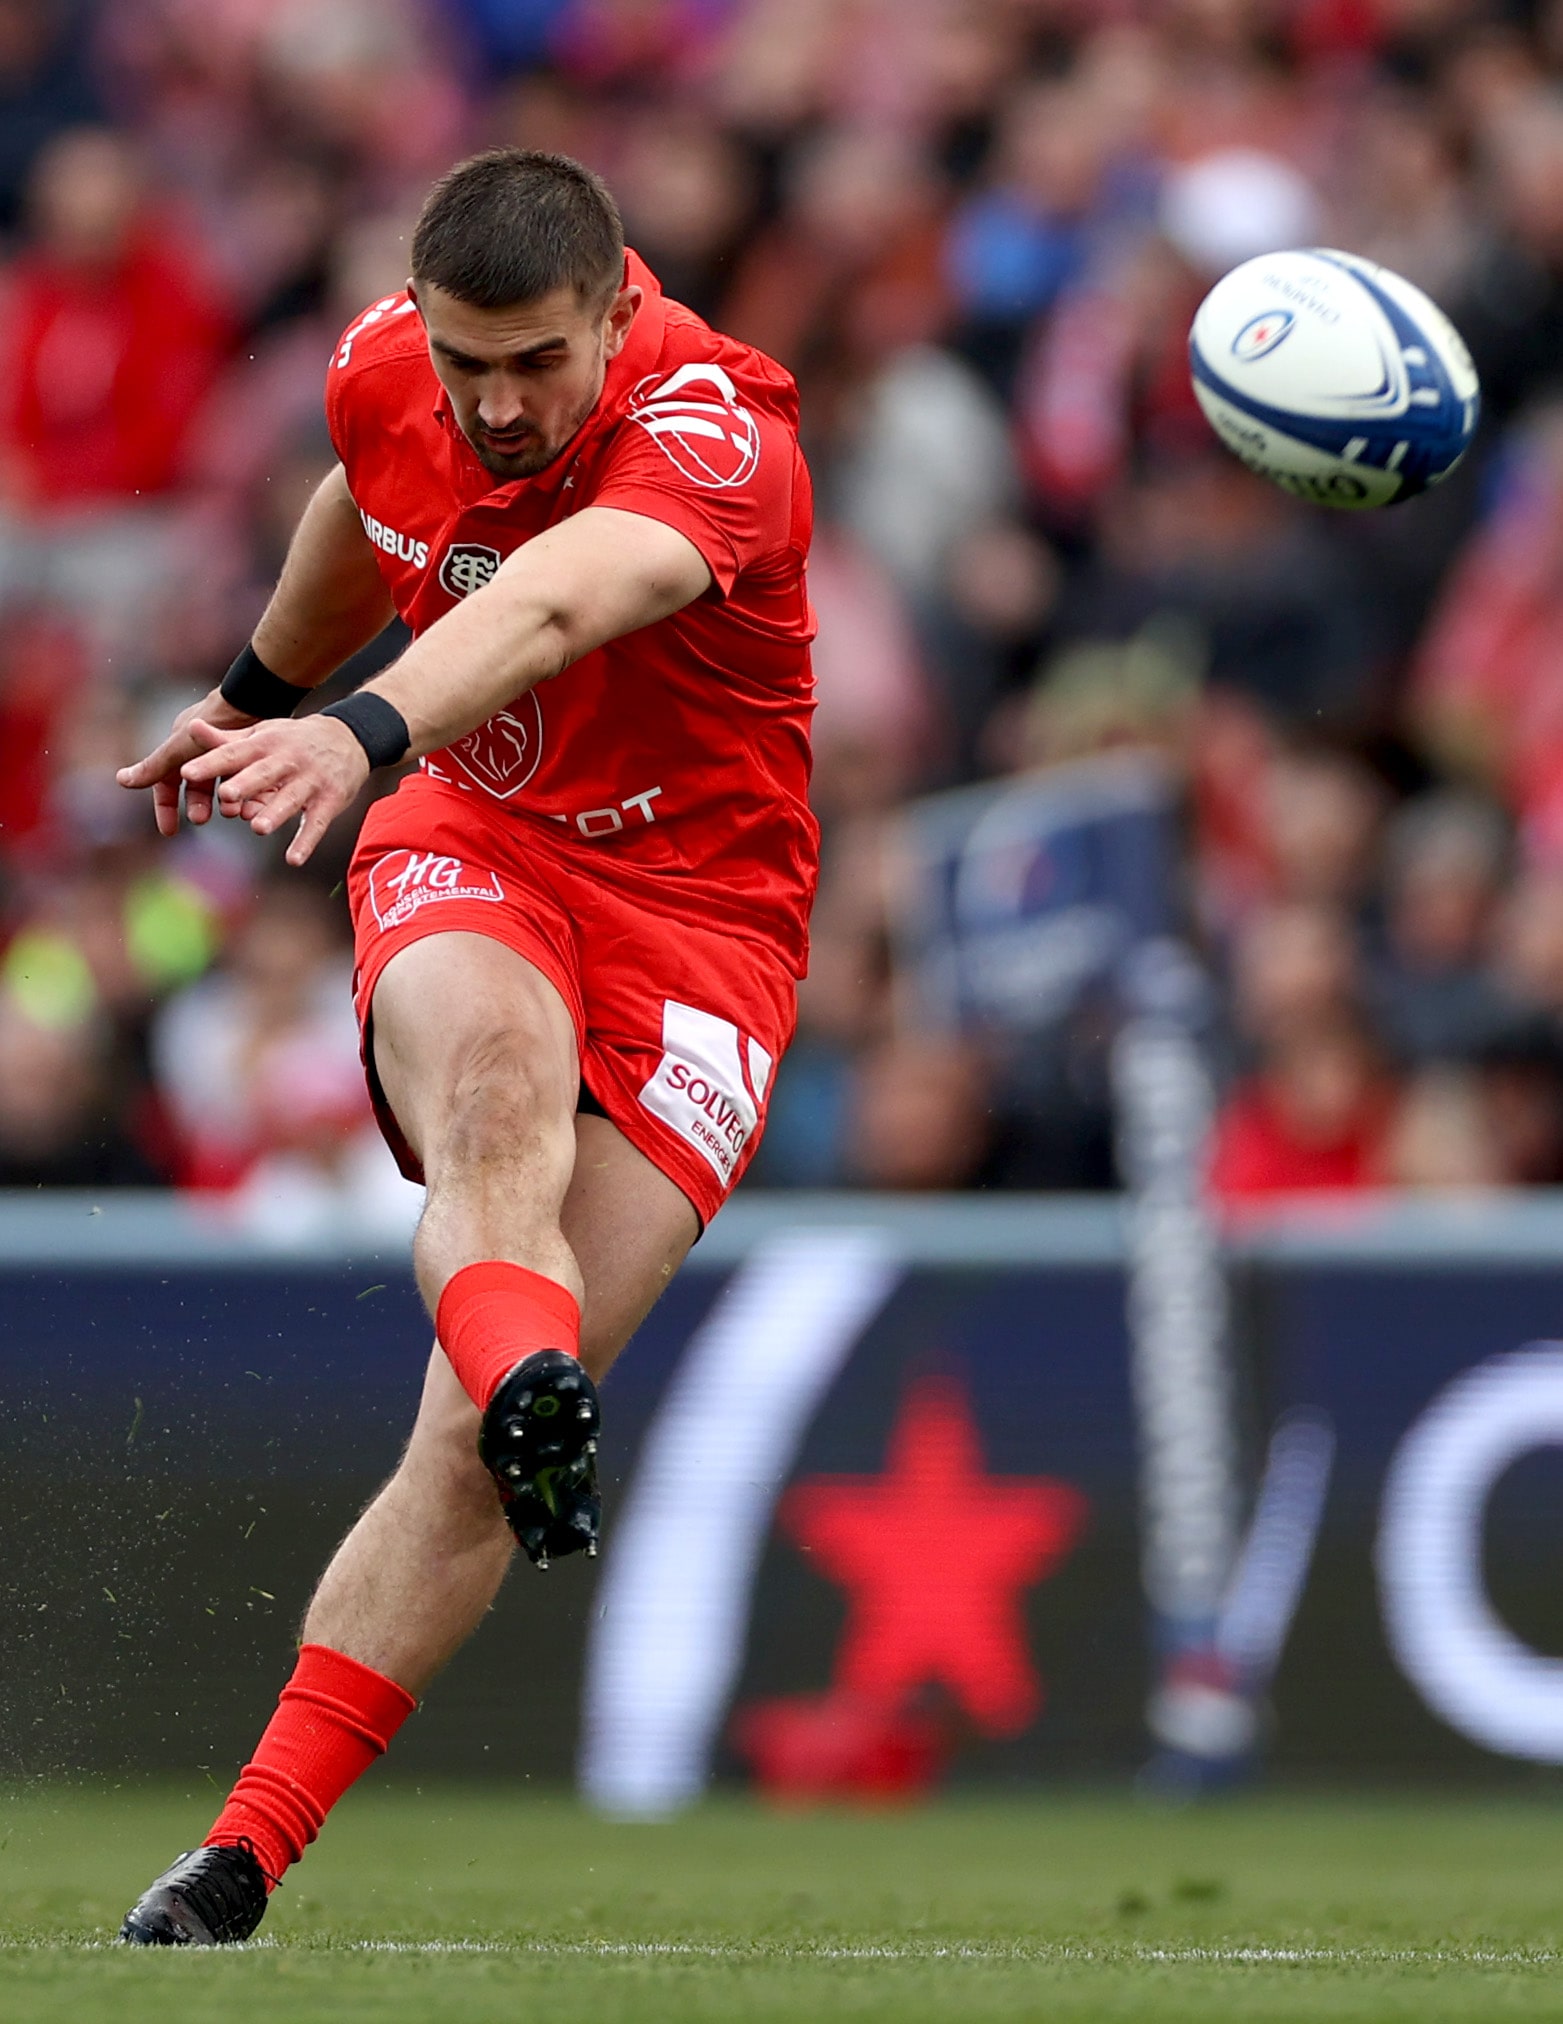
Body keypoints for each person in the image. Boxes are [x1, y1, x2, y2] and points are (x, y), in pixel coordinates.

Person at [113, 148, 817, 1946]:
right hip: (481, 835)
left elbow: (558, 600)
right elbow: (368, 506)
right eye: (466, 364)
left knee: (467, 1462)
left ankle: (252, 1843)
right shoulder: (382, 369)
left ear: (616, 312)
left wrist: (358, 725)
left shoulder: (721, 431)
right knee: (495, 1111)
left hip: (705, 929)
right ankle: (527, 1379)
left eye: (537, 364)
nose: (497, 406)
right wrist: (260, 696)